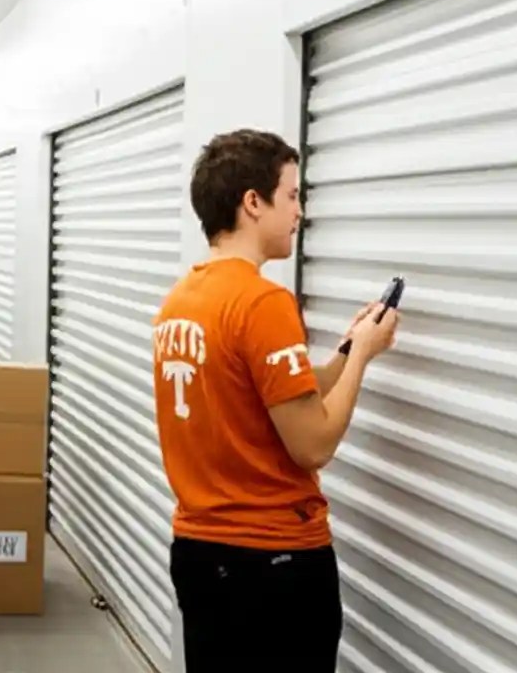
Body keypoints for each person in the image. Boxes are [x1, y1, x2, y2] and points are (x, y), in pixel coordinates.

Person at [151, 128, 399, 671]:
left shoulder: (181, 301)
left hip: (200, 555)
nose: (300, 212)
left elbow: (268, 397)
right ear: (252, 202)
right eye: (291, 195)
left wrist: (349, 351)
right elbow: (312, 445)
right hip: (272, 565)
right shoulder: (262, 302)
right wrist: (363, 360)